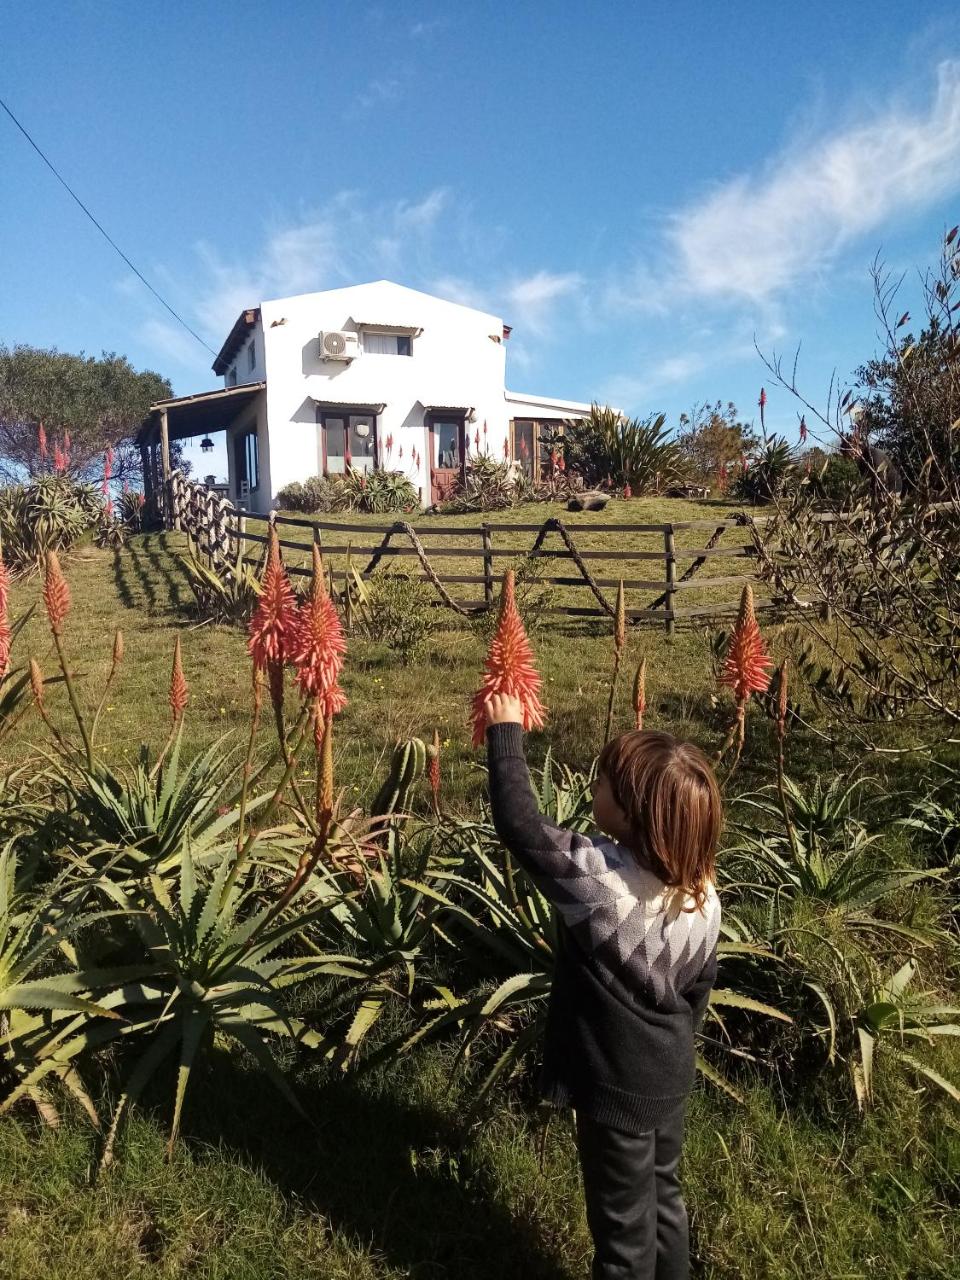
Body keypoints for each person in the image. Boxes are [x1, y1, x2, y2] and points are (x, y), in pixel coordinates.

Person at [483, 693, 722, 1280]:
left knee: (621, 1236)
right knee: (665, 1196)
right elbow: (699, 990)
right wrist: (672, 1045)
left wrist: (505, 732)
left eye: (604, 784)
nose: (594, 788)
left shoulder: (599, 882)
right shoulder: (702, 893)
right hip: (668, 1074)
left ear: (632, 814)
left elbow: (520, 824)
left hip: (614, 1088)